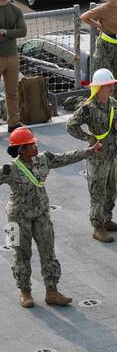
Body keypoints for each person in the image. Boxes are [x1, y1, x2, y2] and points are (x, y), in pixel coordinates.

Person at [1, 125, 102, 307]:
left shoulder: (43, 160)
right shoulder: (9, 170)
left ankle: (52, 292)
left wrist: (90, 151)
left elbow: (65, 158)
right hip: (16, 219)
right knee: (21, 254)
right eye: (31, 145)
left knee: (48, 252)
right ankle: (25, 292)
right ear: (21, 149)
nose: (36, 146)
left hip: (41, 214)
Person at [66, 67, 117, 243]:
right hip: (97, 157)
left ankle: (107, 220)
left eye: (112, 85)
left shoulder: (113, 102)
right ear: (99, 87)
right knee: (97, 191)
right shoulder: (88, 107)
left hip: (112, 155)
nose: (112, 88)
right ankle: (97, 227)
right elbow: (71, 126)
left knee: (111, 188)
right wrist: (88, 138)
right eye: (108, 85)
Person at [81, 0, 117, 112]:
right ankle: (100, 105)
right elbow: (84, 17)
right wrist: (98, 26)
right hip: (105, 45)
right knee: (102, 75)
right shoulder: (102, 9)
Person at [0, 0, 26, 129]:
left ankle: (14, 124)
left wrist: (5, 32)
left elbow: (23, 31)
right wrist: (12, 34)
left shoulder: (16, 10)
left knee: (12, 92)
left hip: (12, 56)